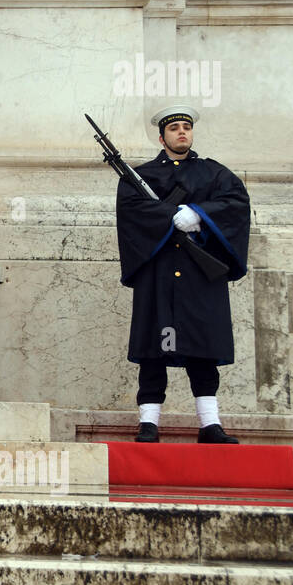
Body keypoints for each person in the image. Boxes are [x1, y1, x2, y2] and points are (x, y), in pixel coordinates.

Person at [115, 105, 250, 444]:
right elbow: (131, 212)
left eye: (185, 127)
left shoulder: (215, 174)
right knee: (153, 349)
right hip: (158, 274)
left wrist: (199, 214)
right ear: (162, 137)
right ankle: (149, 423)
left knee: (202, 349)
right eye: (174, 128)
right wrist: (167, 220)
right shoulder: (141, 175)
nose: (181, 133)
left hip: (199, 274)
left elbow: (236, 203)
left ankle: (209, 424)